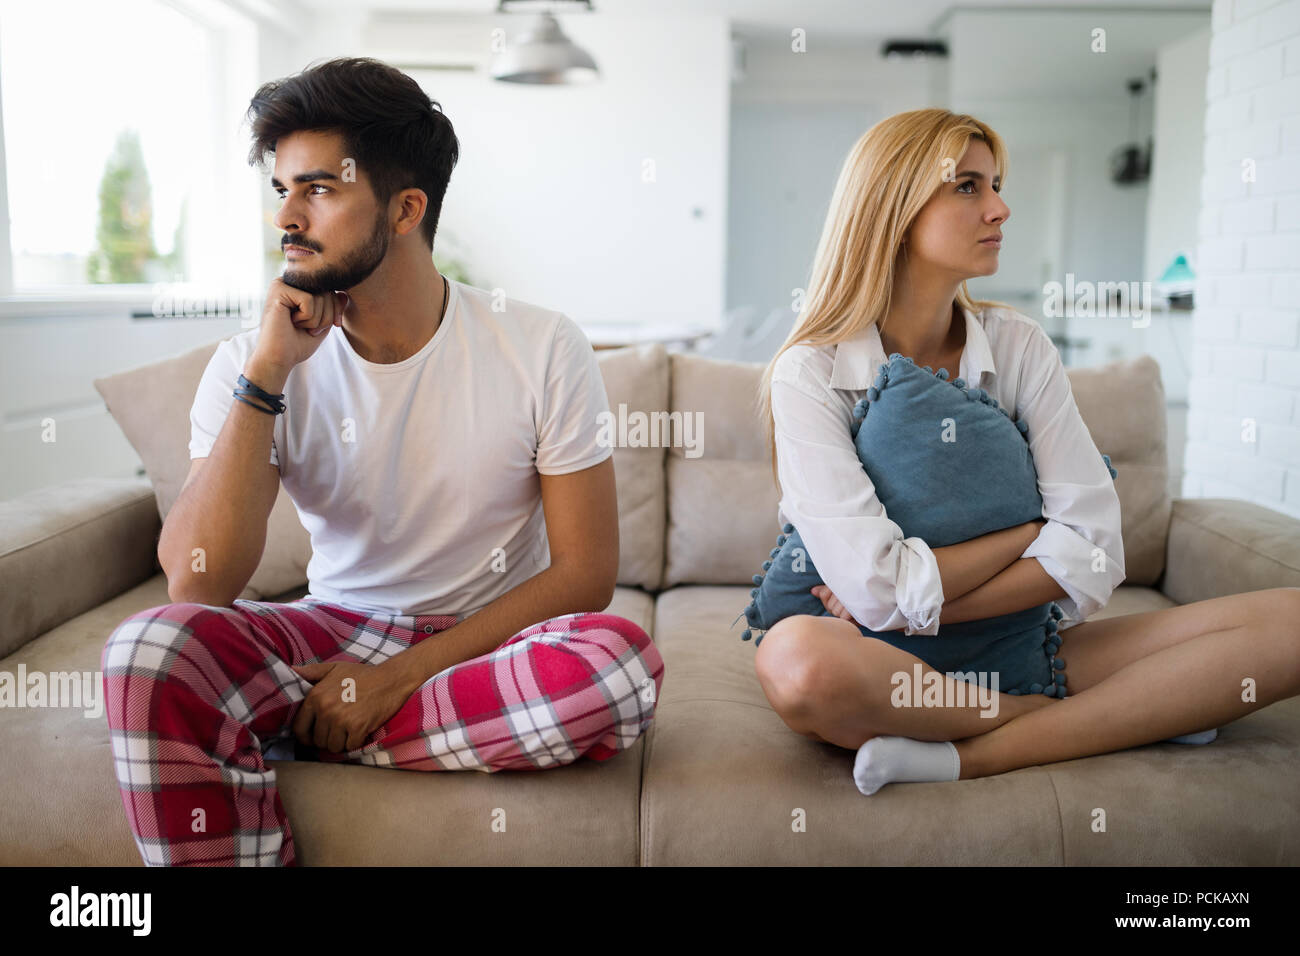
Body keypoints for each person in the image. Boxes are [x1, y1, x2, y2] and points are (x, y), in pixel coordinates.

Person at [101, 57, 663, 866]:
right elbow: (198, 582)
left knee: (617, 669)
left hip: (487, 641)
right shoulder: (250, 362)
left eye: (319, 189)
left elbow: (585, 573)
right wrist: (266, 377)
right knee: (145, 651)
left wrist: (392, 683)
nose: (287, 219)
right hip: (331, 633)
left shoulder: (541, 344)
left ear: (405, 209)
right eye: (282, 191)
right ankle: (322, 720)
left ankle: (302, 734)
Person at [752, 107, 1300, 797]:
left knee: (1292, 623)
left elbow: (1097, 550)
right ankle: (1075, 720)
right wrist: (1033, 535)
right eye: (968, 187)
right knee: (798, 663)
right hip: (875, 663)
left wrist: (932, 602)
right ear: (891, 205)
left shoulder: (1017, 345)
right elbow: (873, 593)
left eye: (997, 185)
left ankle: (968, 753)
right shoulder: (810, 371)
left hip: (1016, 644)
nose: (1001, 208)